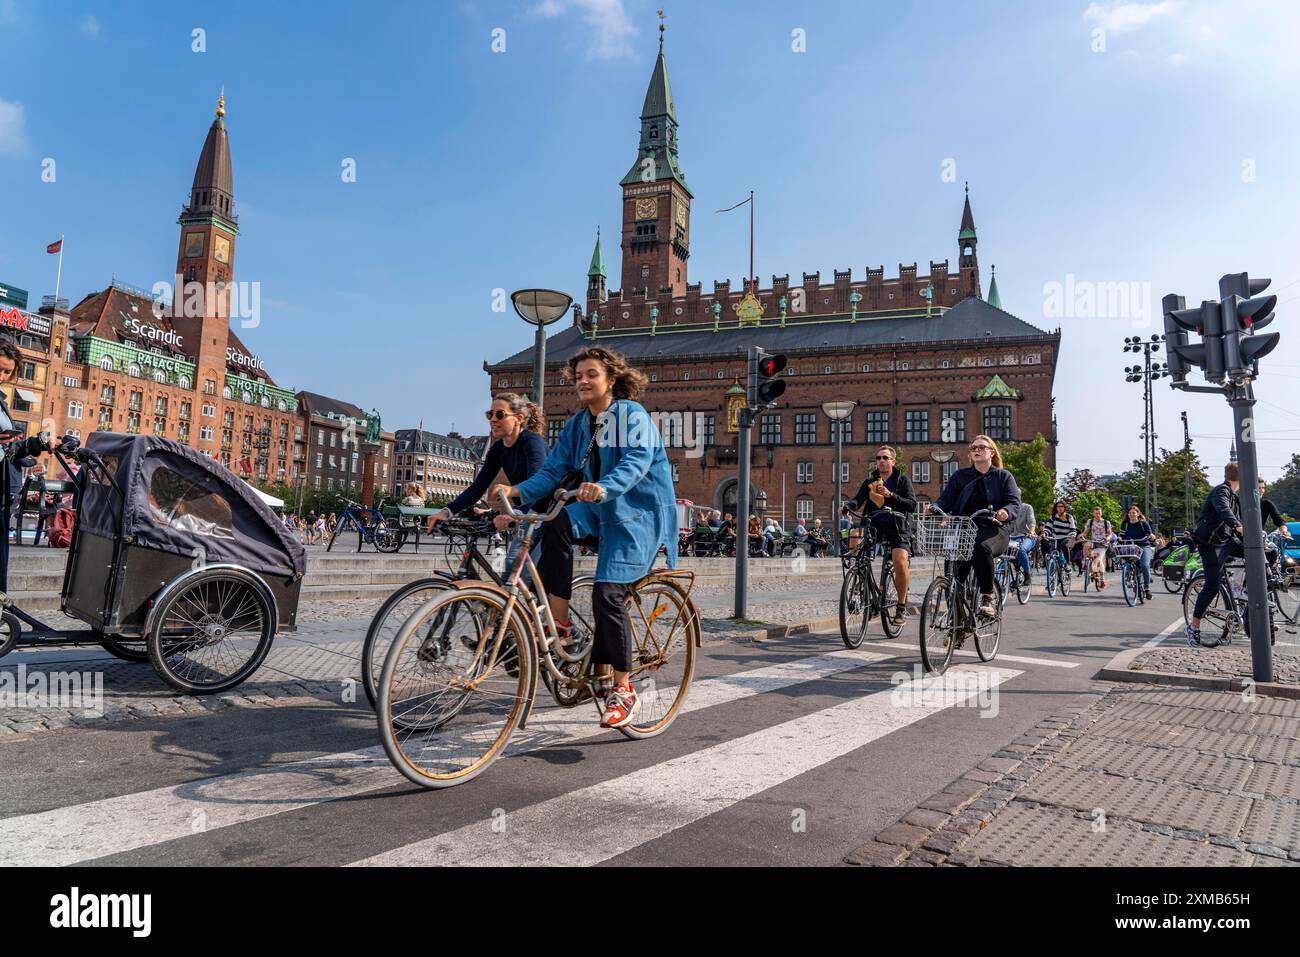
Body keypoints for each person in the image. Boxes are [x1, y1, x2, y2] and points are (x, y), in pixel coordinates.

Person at [500, 346, 677, 730]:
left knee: (606, 595)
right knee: (555, 522)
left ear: (611, 379)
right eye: (578, 374)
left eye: (591, 374)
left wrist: (603, 487)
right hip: (598, 510)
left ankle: (624, 689)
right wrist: (515, 493)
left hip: (636, 514)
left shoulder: (632, 415)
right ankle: (560, 623)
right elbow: (552, 472)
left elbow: (637, 460)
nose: (583, 380)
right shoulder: (580, 424)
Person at [428, 394, 548, 579]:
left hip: (549, 512)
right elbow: (477, 489)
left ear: (518, 419)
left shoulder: (532, 442)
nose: (493, 419)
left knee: (523, 573)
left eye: (500, 415)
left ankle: (547, 605)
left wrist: (512, 515)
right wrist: (446, 512)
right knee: (511, 573)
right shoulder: (499, 449)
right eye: (490, 414)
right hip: (528, 515)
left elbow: (537, 484)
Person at [929, 435, 1022, 617]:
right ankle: (956, 619)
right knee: (952, 574)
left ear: (991, 452)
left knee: (981, 547)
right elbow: (945, 499)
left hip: (994, 529)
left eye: (981, 447)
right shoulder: (960, 476)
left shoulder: (1003, 476)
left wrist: (1005, 511)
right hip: (962, 529)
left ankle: (987, 597)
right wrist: (935, 507)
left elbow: (1014, 503)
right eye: (973, 448)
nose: (977, 450)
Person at [0, 338, 59, 588]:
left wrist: (38, 443)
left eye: (7, 371)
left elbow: (10, 450)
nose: (2, 376)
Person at [847, 445, 917, 626]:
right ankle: (858, 576)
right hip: (874, 524)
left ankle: (901, 607)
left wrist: (890, 495)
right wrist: (848, 506)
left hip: (897, 526)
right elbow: (858, 499)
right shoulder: (870, 481)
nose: (881, 461)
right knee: (854, 535)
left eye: (885, 458)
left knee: (900, 559)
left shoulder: (902, 480)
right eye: (878, 458)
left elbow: (911, 505)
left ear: (893, 461)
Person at [1186, 462, 1244, 647]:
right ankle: (1194, 627)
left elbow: (1240, 517)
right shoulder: (1221, 491)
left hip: (1226, 541)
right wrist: (1238, 526)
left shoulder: (1235, 497)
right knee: (1212, 585)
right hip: (1209, 543)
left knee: (1261, 553)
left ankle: (1248, 592)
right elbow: (1223, 509)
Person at [1119, 504, 1157, 601]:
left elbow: (1149, 534)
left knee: (1144, 565)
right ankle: (1129, 576)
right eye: (1130, 513)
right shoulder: (1125, 524)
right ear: (1127, 514)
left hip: (1144, 546)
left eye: (1133, 513)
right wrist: (1119, 538)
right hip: (1131, 547)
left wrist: (1151, 536)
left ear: (1138, 514)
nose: (1131, 514)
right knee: (1126, 563)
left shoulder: (1143, 523)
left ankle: (1147, 588)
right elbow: (1122, 535)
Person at [1080, 506, 1115, 591]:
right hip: (1093, 542)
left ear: (1101, 513)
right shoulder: (1090, 521)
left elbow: (1110, 533)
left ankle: (1102, 580)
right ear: (1093, 513)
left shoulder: (1106, 522)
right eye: (1096, 513)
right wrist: (1081, 536)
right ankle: (1086, 562)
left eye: (1099, 513)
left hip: (1103, 544)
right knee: (1086, 545)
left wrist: (1108, 538)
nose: (1097, 515)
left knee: (1098, 560)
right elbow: (1086, 531)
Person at [1041, 501, 1077, 570]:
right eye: (1058, 506)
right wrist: (1044, 533)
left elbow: (1073, 529)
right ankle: (1054, 571)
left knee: (1063, 545)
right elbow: (1048, 528)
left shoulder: (1069, 517)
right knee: (1053, 551)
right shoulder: (1053, 517)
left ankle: (1068, 564)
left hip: (1067, 537)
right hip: (1056, 538)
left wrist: (1072, 534)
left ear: (1064, 508)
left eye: (1062, 506)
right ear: (1056, 508)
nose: (1060, 508)